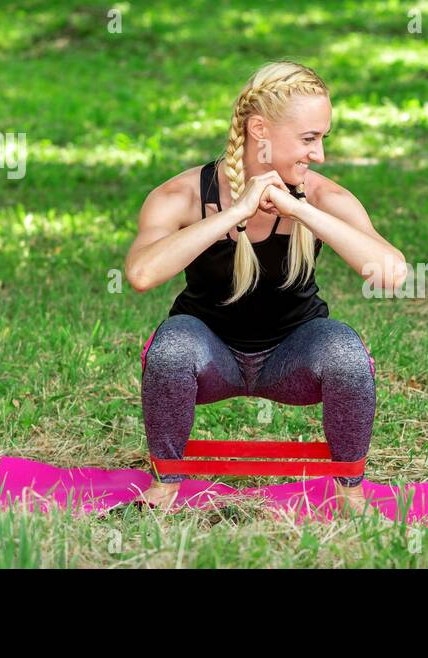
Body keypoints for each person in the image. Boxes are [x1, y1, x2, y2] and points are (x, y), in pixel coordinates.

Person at [124, 60, 407, 513]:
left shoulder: (323, 198)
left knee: (346, 352)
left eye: (322, 139)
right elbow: (141, 275)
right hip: (209, 353)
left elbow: (391, 273)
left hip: (292, 357)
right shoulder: (182, 195)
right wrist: (234, 214)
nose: (319, 155)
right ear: (261, 130)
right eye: (309, 139)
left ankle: (350, 493)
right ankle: (164, 486)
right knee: (170, 347)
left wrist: (302, 213)